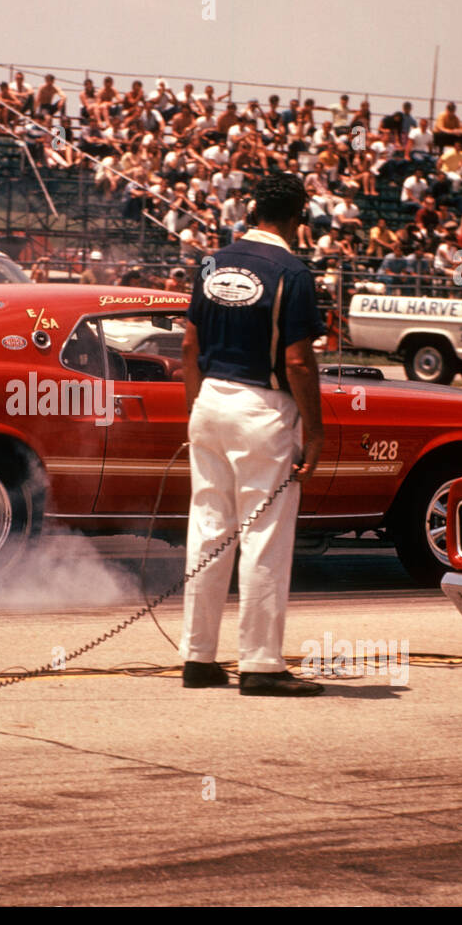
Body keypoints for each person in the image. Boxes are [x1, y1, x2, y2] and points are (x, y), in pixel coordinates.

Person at [179, 171, 325, 697]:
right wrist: (317, 429)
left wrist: (194, 407)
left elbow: (190, 343)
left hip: (210, 399)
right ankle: (261, 663)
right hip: (262, 406)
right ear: (297, 217)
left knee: (209, 527)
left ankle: (198, 658)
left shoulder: (211, 261)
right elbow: (298, 362)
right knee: (264, 535)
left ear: (251, 209)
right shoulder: (293, 270)